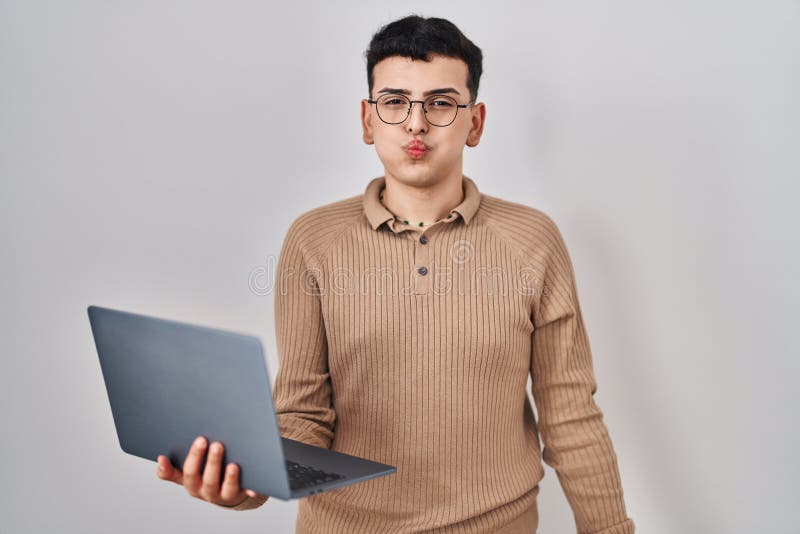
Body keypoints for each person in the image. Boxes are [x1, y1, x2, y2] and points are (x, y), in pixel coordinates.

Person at [157, 14, 636, 533]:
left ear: (474, 122)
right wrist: (244, 482)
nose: (416, 123)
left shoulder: (533, 240)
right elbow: (303, 415)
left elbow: (570, 418)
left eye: (441, 103)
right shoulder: (313, 240)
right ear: (368, 120)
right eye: (395, 102)